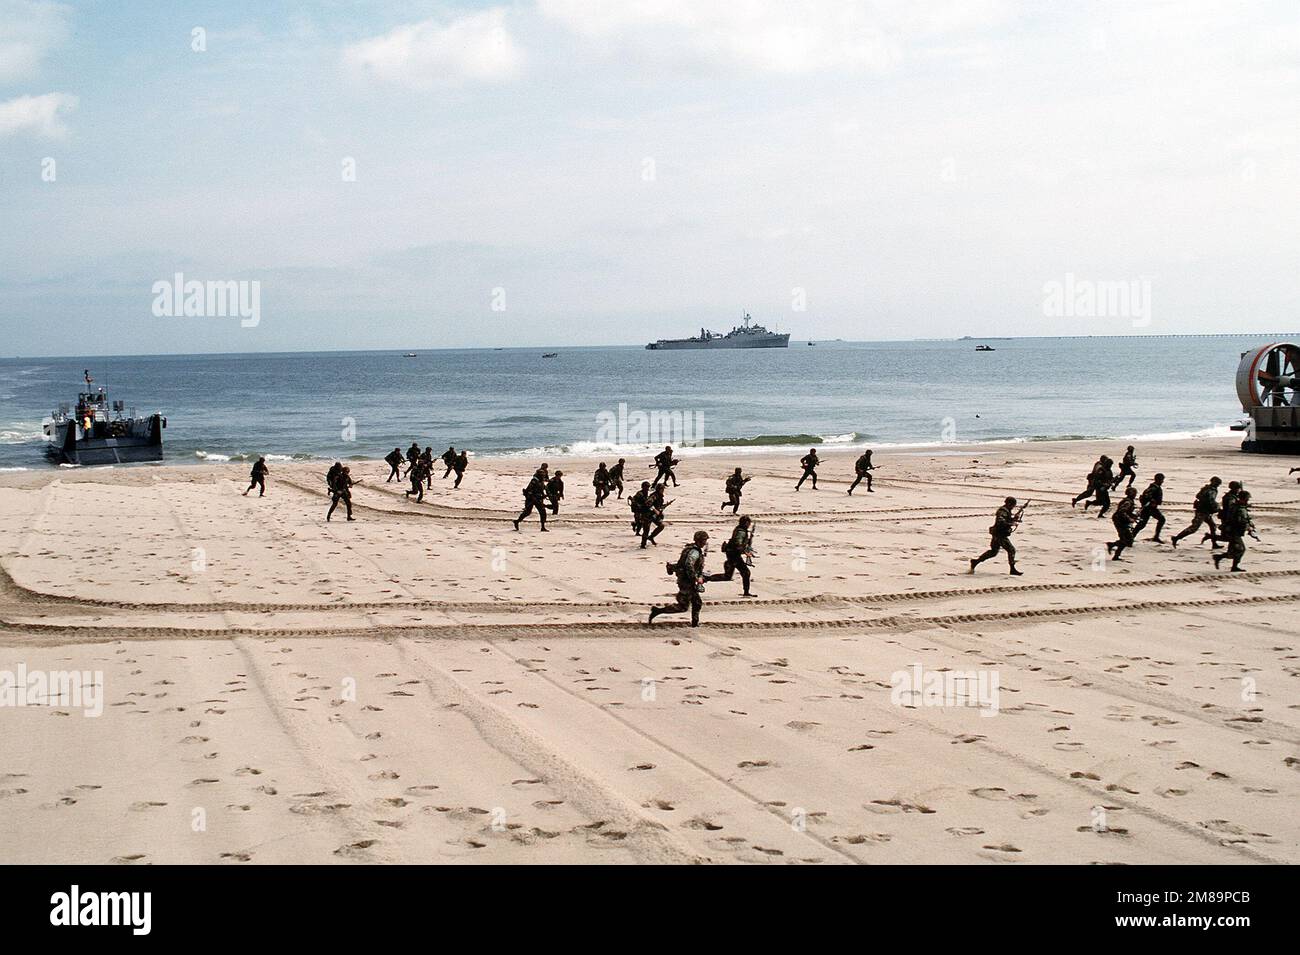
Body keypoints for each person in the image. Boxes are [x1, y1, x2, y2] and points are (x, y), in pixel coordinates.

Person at [649, 531, 709, 627]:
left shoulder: (689, 549)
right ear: (700, 541)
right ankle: (657, 611)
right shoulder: (694, 552)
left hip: (684, 579)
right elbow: (688, 565)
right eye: (704, 540)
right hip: (687, 581)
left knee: (696, 603)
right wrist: (695, 578)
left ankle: (695, 623)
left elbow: (681, 564)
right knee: (685, 606)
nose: (705, 542)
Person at [969, 497, 1023, 575]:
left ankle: (976, 562)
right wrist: (1011, 523)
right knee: (1011, 550)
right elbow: (1000, 522)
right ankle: (1012, 569)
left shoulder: (1006, 511)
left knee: (993, 552)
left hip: (997, 534)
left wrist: (1013, 519)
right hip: (1000, 534)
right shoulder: (1002, 511)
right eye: (1013, 505)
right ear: (1009, 504)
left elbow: (1005, 520)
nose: (1013, 507)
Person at [707, 516, 755, 596]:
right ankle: (746, 592)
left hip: (731, 554)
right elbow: (737, 544)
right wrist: (745, 552)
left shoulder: (739, 529)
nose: (749, 524)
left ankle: (706, 578)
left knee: (727, 576)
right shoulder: (741, 532)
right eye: (748, 523)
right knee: (745, 573)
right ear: (746, 523)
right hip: (734, 555)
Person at [1171, 477, 1222, 548]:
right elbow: (1210, 501)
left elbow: (1198, 496)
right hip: (1202, 511)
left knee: (1212, 526)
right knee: (1194, 528)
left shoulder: (1206, 488)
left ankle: (1214, 544)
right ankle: (1176, 538)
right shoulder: (1210, 490)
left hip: (1204, 511)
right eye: (1217, 483)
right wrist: (1217, 508)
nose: (1217, 485)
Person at [1214, 490, 1253, 572]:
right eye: (1246, 499)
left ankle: (1219, 557)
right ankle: (1233, 566)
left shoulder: (1238, 506)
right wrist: (1247, 527)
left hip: (1234, 531)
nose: (1247, 501)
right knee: (1241, 549)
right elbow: (1239, 521)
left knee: (1233, 551)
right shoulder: (1237, 508)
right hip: (1233, 532)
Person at [1106, 486, 1139, 561]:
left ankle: (1114, 550)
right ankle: (1114, 551)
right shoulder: (1128, 502)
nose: (1135, 495)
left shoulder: (1128, 501)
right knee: (1126, 540)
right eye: (1134, 493)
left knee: (1127, 540)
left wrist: (1133, 516)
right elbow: (1122, 512)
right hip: (1120, 521)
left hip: (1121, 520)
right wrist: (1130, 519)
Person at [1133, 473, 1166, 542]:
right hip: (1149, 508)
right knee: (1161, 519)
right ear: (1158, 480)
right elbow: (1145, 495)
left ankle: (1131, 536)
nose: (1162, 481)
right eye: (1162, 480)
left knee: (1142, 524)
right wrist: (1152, 501)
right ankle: (1156, 537)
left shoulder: (1155, 487)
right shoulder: (1154, 487)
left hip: (1149, 508)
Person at [1208, 481, 1243, 548]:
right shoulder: (1230, 497)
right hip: (1228, 518)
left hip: (1228, 517)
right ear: (1234, 489)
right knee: (1228, 536)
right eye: (1238, 489)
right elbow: (1231, 508)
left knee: (1229, 536)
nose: (1239, 490)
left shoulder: (1232, 496)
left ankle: (1211, 537)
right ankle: (1210, 537)